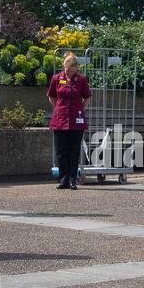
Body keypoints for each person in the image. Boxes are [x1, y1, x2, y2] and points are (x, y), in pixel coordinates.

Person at [47, 53, 91, 189]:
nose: (69, 71)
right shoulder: (56, 78)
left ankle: (72, 178)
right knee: (61, 150)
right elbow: (51, 96)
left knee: (74, 150)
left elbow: (87, 96)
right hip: (60, 119)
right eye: (67, 68)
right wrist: (58, 108)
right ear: (63, 66)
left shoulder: (81, 80)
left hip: (76, 119)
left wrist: (81, 109)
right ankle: (63, 179)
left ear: (77, 68)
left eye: (72, 69)